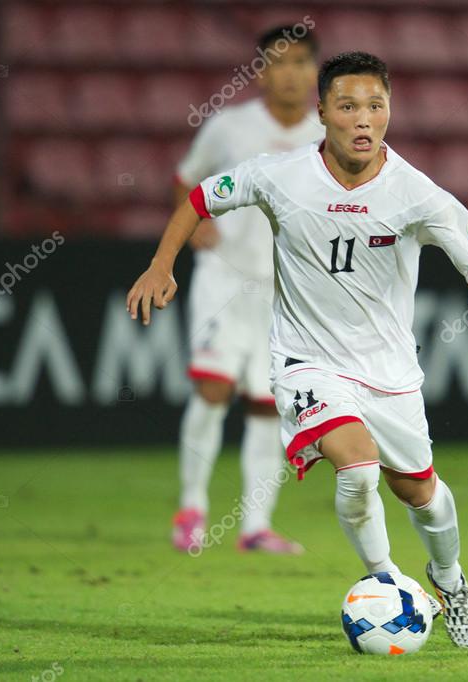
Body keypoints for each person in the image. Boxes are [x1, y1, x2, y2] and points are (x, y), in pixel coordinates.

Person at [127, 51, 468, 648]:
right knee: (356, 471)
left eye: (375, 106)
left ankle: (450, 578)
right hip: (306, 362)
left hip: (389, 371)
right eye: (348, 106)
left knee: (421, 493)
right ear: (323, 113)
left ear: (390, 111)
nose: (363, 119)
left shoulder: (415, 191)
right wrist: (161, 265)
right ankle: (389, 584)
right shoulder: (279, 174)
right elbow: (201, 198)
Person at [171, 25, 323, 554]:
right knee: (213, 390)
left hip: (284, 291)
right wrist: (196, 224)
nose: (290, 73)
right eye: (279, 62)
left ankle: (255, 525)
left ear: (314, 71)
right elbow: (186, 179)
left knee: (269, 405)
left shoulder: (323, 137)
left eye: (301, 62)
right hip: (225, 278)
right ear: (260, 71)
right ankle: (192, 507)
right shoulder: (229, 127)